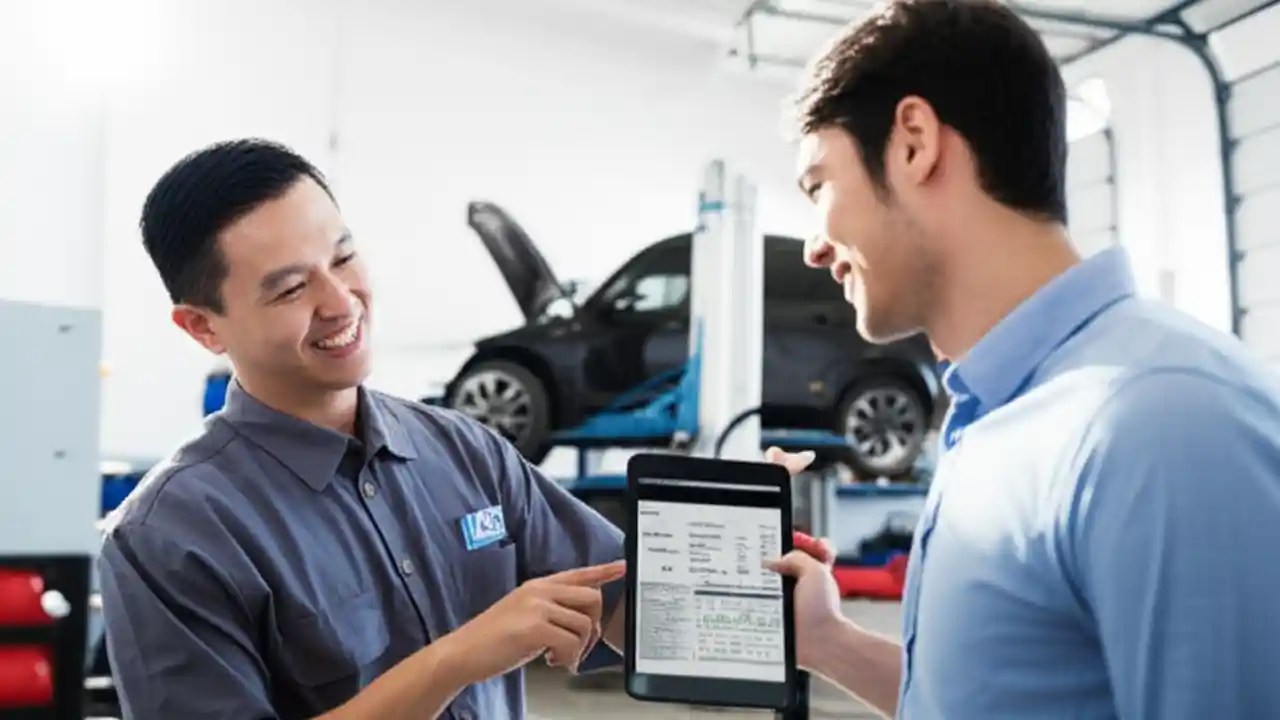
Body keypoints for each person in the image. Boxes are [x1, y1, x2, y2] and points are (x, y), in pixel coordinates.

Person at [764, 1, 1280, 718]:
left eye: (819, 184)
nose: (814, 247)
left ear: (913, 141)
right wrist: (828, 642)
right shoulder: (1003, 413)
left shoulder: (1161, 423)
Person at [98, 139, 629, 720]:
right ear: (203, 327)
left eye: (344, 258)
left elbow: (624, 601)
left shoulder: (465, 452)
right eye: (291, 289)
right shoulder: (169, 537)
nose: (341, 302)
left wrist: (726, 568)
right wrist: (455, 660)